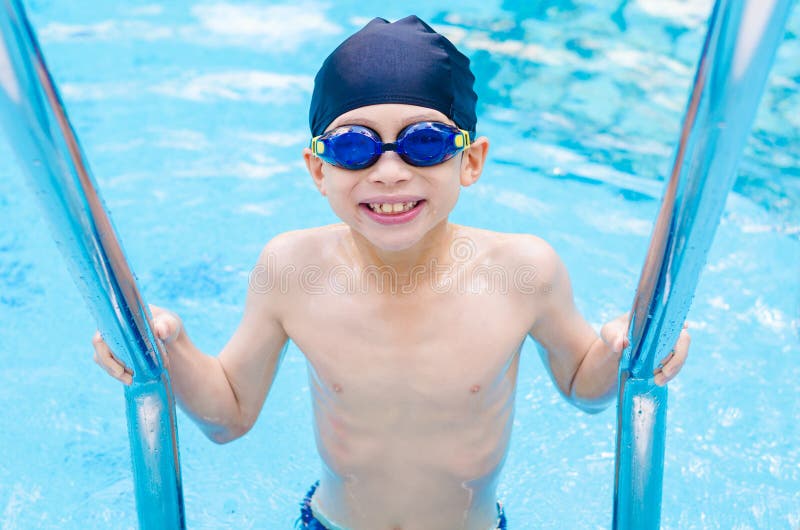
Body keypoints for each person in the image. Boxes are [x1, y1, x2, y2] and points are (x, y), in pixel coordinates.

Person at [92, 15, 690, 530]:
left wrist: (626, 347)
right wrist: (167, 345)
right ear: (318, 169)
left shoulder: (522, 271)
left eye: (424, 143)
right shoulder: (292, 269)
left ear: (471, 161)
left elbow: (584, 388)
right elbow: (229, 417)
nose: (388, 171)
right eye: (354, 147)